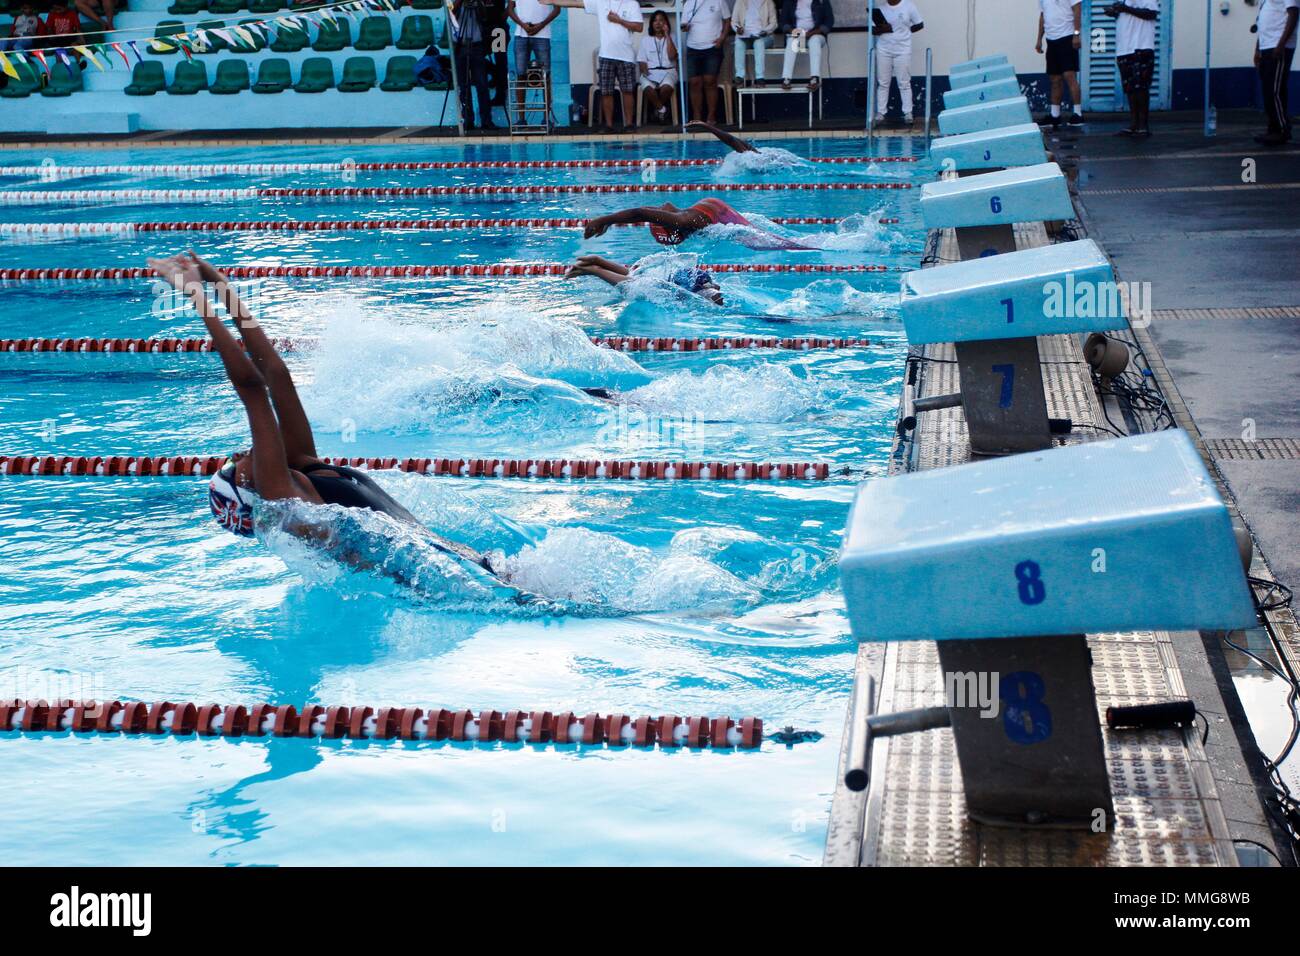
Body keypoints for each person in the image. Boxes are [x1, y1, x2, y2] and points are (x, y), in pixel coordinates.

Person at [147, 251, 521, 599]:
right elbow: (253, 389)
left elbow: (276, 374)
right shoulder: (285, 503)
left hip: (476, 567)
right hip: (455, 587)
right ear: (248, 488)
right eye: (233, 467)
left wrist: (222, 288)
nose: (237, 454)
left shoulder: (303, 469)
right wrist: (197, 298)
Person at [582, 196, 818, 250]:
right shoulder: (683, 218)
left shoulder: (685, 220)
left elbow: (641, 212)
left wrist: (604, 220)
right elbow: (656, 210)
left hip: (716, 213)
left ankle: (813, 246)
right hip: (716, 211)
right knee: (776, 241)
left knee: (778, 244)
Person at [546, 0, 642, 131]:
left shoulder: (632, 4)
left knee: (627, 91)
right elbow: (575, 3)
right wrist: (552, 1)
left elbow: (639, 27)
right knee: (606, 91)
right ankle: (608, 125)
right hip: (606, 54)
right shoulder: (601, 2)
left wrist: (619, 20)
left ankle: (629, 125)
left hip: (626, 56)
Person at [565, 254, 725, 305]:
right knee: (632, 284)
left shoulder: (703, 283)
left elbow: (715, 292)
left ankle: (598, 261)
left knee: (635, 276)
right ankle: (594, 269)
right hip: (685, 283)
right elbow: (716, 295)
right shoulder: (698, 291)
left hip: (680, 277)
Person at [1104, 1, 1158, 138]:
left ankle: (1143, 126)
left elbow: (1151, 14)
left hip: (1140, 46)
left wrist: (1126, 9)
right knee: (1130, 88)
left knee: (1141, 87)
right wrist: (1115, 12)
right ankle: (1134, 124)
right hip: (1124, 48)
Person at [871, 0, 923, 128]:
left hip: (903, 50)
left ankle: (908, 113)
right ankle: (881, 113)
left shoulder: (908, 6)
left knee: (904, 82)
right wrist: (884, 29)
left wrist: (906, 31)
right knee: (883, 82)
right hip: (884, 49)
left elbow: (920, 24)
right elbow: (873, 30)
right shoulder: (880, 9)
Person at [1254, 0, 1298, 145]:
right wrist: (1257, 49)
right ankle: (1273, 129)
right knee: (1268, 91)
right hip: (1266, 46)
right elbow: (1262, 23)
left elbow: (1294, 14)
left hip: (1278, 47)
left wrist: (1281, 45)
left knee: (1274, 91)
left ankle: (1282, 130)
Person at [507, 0, 560, 119]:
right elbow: (510, 9)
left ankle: (546, 119)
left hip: (542, 34)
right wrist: (522, 24)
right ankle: (521, 119)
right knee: (521, 76)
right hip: (521, 34)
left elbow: (557, 9)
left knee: (545, 76)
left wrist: (541, 25)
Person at [681, 0, 730, 123]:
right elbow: (683, 26)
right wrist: (685, 27)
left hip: (712, 47)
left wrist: (722, 39)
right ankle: (697, 116)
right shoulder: (688, 3)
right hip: (693, 47)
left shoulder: (719, 1)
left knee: (710, 81)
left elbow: (727, 20)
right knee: (694, 83)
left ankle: (711, 116)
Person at [1036, 0, 1083, 127]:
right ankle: (1055, 115)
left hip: (1067, 37)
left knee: (1069, 76)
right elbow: (1042, 15)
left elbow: (1077, 10)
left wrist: (1076, 34)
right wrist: (1039, 39)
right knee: (1054, 79)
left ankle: (1078, 114)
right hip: (1051, 40)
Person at [450, 0, 496, 130]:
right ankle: (467, 120)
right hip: (460, 45)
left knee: (482, 84)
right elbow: (451, 13)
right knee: (463, 86)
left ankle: (486, 120)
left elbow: (485, 17)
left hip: (477, 45)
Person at [778, 0, 833, 91]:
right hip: (799, 34)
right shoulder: (790, 2)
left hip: (816, 33)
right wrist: (793, 31)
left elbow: (829, 21)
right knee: (792, 41)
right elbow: (782, 22)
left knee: (814, 41)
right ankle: (786, 79)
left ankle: (814, 78)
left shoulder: (821, 1)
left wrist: (813, 32)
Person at [638, 11, 679, 123]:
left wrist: (667, 35)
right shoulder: (645, 40)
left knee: (666, 88)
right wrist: (646, 74)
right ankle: (662, 109)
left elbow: (672, 57)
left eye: (661, 20)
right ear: (651, 24)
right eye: (655, 21)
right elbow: (641, 61)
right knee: (647, 88)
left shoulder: (673, 37)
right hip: (650, 72)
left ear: (666, 23)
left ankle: (656, 111)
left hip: (668, 71)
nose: (658, 23)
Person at [731, 0, 777, 87]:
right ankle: (739, 75)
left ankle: (760, 77)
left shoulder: (768, 2)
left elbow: (774, 23)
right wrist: (738, 29)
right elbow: (734, 21)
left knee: (758, 43)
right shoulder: (740, 1)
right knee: (738, 43)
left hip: (764, 36)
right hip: (746, 36)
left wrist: (765, 31)